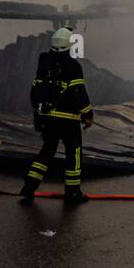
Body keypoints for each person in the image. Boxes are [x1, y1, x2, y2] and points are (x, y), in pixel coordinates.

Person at [19, 26, 94, 204]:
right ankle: (73, 193)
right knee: (73, 154)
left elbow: (34, 90)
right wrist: (88, 114)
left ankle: (28, 188)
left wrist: (38, 115)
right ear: (70, 44)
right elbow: (78, 93)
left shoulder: (44, 62)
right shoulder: (73, 66)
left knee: (46, 152)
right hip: (68, 120)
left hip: (47, 117)